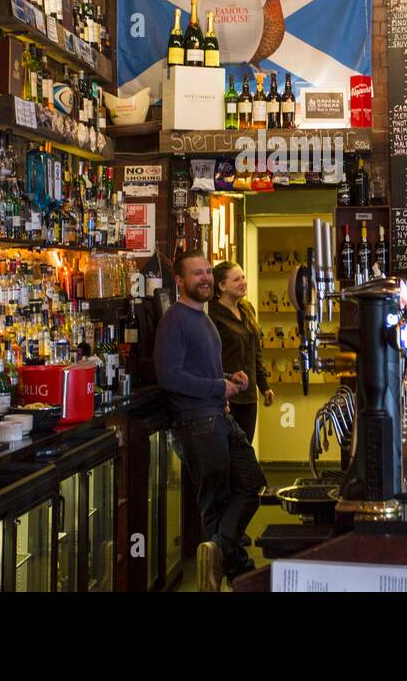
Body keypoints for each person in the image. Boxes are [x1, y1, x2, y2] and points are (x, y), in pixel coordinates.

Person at [154, 249, 267, 590]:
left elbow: (201, 370)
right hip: (197, 422)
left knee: (251, 482)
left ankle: (218, 551)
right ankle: (238, 572)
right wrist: (217, 386)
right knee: (215, 500)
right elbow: (169, 376)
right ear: (180, 281)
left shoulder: (202, 318)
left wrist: (230, 377)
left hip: (218, 414)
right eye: (196, 273)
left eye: (206, 272)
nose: (203, 278)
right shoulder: (174, 320)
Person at [209, 261, 274, 443]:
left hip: (249, 397)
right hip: (227, 398)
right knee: (229, 453)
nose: (243, 282)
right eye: (236, 279)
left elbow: (256, 352)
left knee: (245, 449)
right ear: (222, 286)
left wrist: (264, 386)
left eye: (243, 277)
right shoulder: (213, 315)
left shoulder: (247, 309)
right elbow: (210, 358)